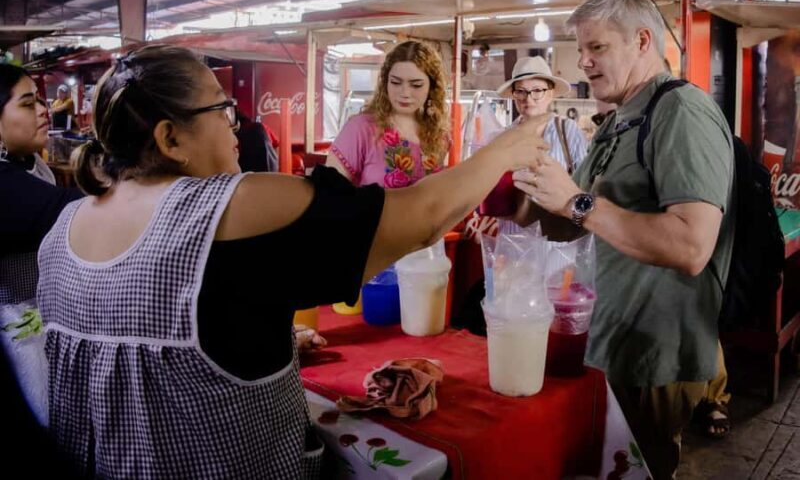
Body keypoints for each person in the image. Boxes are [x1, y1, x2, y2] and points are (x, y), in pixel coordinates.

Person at [36, 44, 550, 478]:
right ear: (171, 139)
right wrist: (504, 150)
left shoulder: (64, 228)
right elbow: (422, 217)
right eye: (223, 112)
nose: (237, 125)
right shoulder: (233, 203)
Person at [513, 0, 734, 479]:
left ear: (641, 40)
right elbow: (577, 226)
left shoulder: (681, 111)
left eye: (597, 48)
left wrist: (575, 201)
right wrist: (538, 190)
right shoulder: (617, 122)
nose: (584, 62)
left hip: (652, 357)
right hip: (607, 342)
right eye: (581, 51)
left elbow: (691, 245)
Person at [0, 64, 83, 426]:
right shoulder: (4, 185)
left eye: (41, 101)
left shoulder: (32, 165)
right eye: (27, 103)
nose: (43, 110)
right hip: (16, 333)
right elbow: (70, 212)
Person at [326, 40, 449, 188]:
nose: (405, 93)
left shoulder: (440, 136)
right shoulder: (361, 129)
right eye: (396, 83)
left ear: (432, 87)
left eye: (416, 85)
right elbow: (329, 193)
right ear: (385, 83)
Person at [495, 55, 588, 234]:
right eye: (521, 91)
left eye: (537, 90)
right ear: (513, 95)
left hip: (557, 242)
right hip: (514, 238)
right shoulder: (503, 137)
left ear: (550, 93)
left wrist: (580, 227)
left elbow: (586, 188)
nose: (528, 99)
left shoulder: (567, 131)